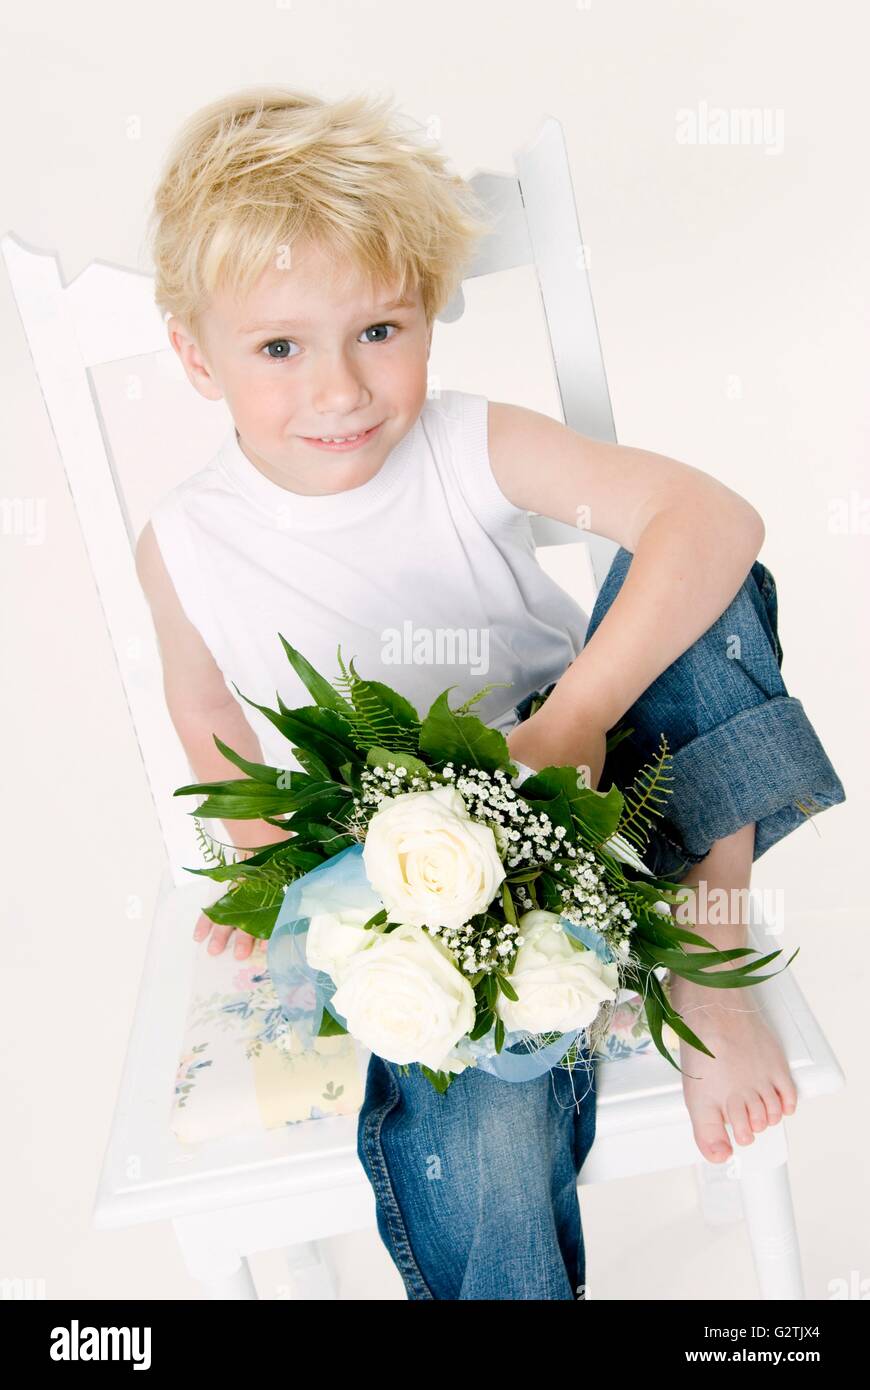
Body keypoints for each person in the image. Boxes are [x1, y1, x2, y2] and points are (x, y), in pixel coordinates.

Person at [136, 85, 846, 1300]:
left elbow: (714, 519)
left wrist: (567, 723)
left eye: (379, 330)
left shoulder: (466, 441)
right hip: (412, 873)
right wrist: (273, 871)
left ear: (429, 317)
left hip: (607, 790)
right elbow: (203, 709)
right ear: (196, 355)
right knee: (478, 1117)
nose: (340, 391)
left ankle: (703, 943)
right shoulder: (190, 538)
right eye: (278, 348)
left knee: (704, 576)